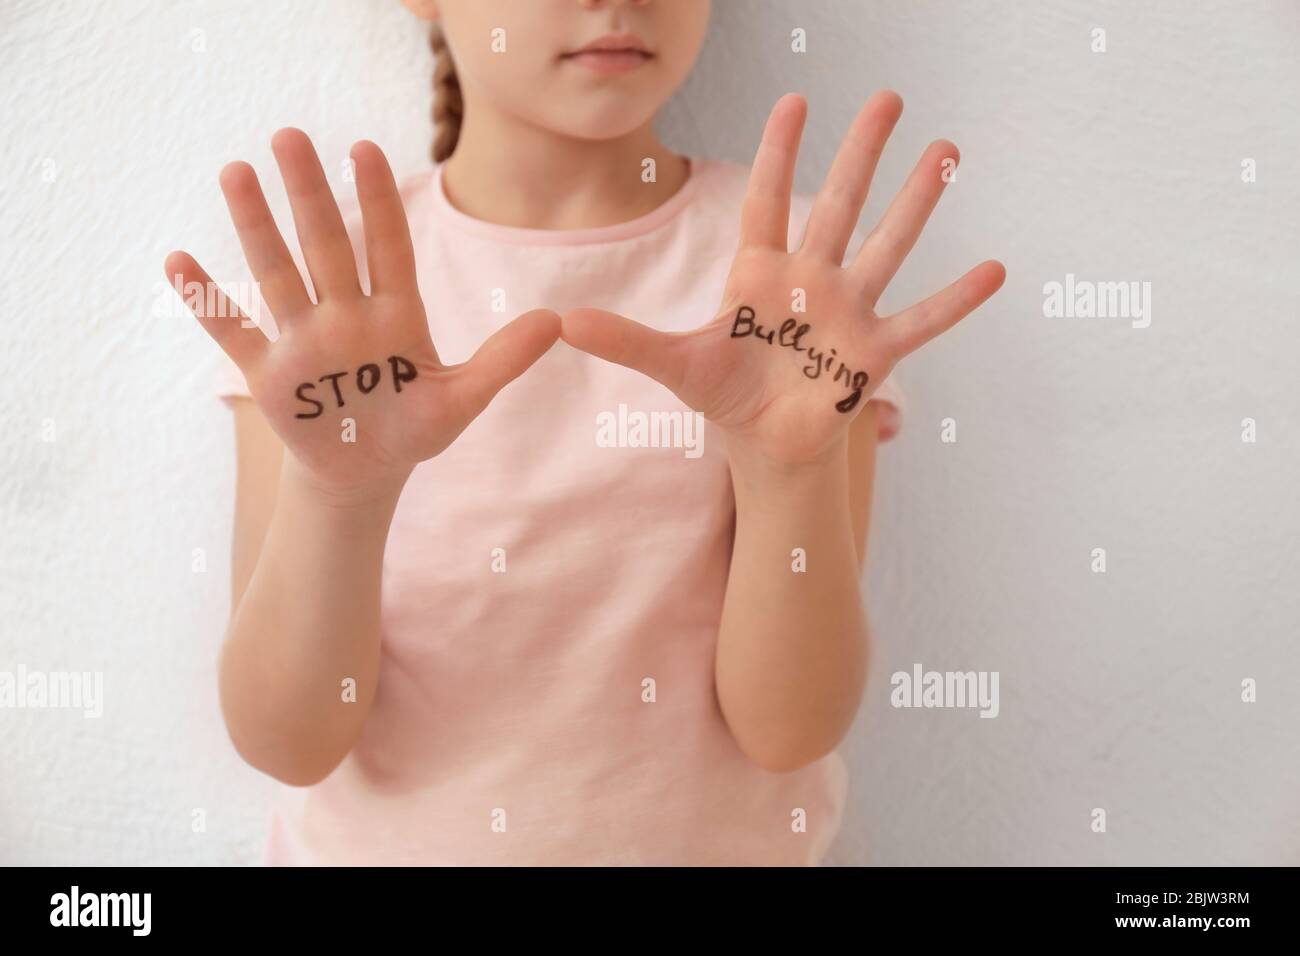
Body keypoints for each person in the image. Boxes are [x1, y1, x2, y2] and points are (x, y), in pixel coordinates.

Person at [164, 0, 1004, 865]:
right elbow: (288, 742)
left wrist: (786, 468)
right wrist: (340, 498)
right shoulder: (326, 305)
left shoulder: (800, 286)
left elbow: (789, 731)